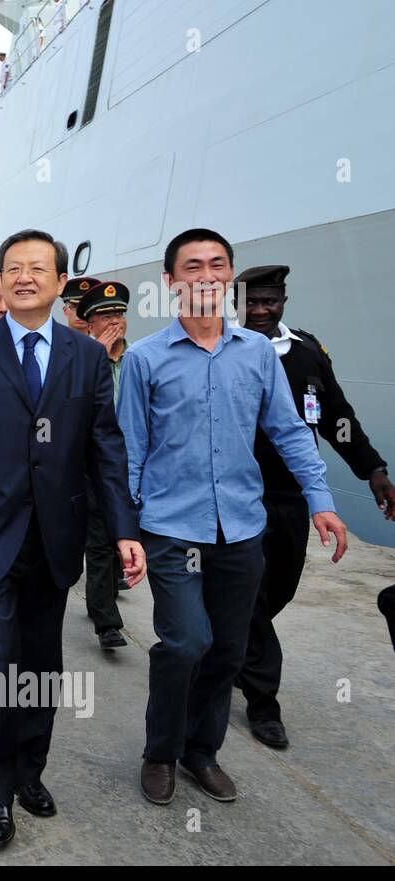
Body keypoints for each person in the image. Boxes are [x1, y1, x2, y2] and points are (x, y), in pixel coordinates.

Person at [0, 228, 143, 848]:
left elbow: (105, 450)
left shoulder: (87, 358)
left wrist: (124, 530)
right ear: (1, 278)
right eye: (13, 267)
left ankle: (29, 772)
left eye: (37, 268)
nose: (24, 277)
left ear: (60, 282)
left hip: (55, 538)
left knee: (42, 666)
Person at [117, 229, 347, 806]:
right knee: (184, 641)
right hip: (171, 527)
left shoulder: (257, 356)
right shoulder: (146, 360)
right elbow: (129, 451)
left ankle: (202, 752)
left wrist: (321, 498)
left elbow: (290, 432)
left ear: (229, 276)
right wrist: (127, 530)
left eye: (218, 264)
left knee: (226, 648)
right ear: (171, 282)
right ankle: (160, 751)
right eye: (192, 266)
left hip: (243, 526)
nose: (207, 275)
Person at [231, 264, 392, 749]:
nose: (260, 311)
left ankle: (234, 655)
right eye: (251, 302)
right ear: (236, 304)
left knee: (280, 587)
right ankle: (263, 703)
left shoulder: (305, 352)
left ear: (283, 302)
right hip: (236, 496)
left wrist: (373, 469)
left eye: (269, 302)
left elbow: (336, 414)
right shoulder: (221, 350)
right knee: (250, 597)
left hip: (291, 495)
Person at [74, 280, 132, 651]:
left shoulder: (142, 359)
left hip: (135, 463)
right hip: (93, 463)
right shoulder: (78, 360)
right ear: (89, 324)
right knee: (98, 540)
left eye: (118, 314)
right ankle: (106, 620)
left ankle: (108, 592)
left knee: (121, 537)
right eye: (104, 316)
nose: (113, 321)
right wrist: (94, 358)